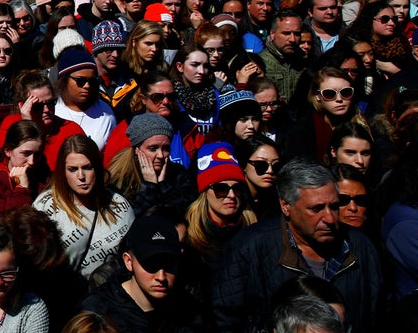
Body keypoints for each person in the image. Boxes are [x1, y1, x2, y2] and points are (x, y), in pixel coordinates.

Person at [211, 158, 381, 332]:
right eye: (316, 208)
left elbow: (379, 315)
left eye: (335, 206)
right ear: (285, 205)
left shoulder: (360, 246)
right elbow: (224, 320)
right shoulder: (249, 249)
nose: (330, 218)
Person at [32, 135, 134, 280]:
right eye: (72, 169)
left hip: (110, 294)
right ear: (63, 172)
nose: (81, 176)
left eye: (87, 167)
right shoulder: (45, 205)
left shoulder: (119, 204)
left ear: (97, 168)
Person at [77, 215, 204, 331]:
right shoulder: (98, 311)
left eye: (169, 265)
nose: (161, 277)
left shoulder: (188, 309)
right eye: (151, 265)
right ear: (128, 261)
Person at [184, 142, 258, 274]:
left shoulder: (255, 231)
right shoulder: (188, 236)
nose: (231, 195)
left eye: (237, 188)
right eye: (221, 189)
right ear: (205, 192)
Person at [106, 113, 194, 216]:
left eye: (165, 148)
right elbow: (129, 219)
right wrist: (150, 188)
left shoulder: (178, 174)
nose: (160, 155)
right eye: (153, 148)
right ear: (136, 150)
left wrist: (162, 188)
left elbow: (182, 213)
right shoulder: (120, 180)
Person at [0, 120, 47, 222]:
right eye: (26, 154)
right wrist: (21, 190)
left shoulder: (44, 176)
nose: (32, 161)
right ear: (8, 151)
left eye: (37, 154)